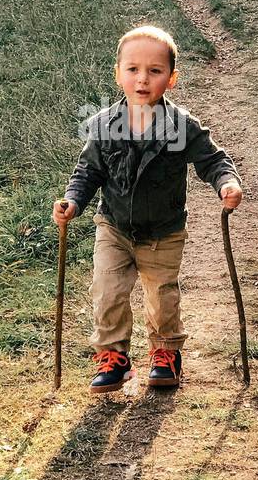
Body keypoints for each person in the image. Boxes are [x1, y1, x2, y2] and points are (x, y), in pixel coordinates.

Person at [52, 24, 243, 393]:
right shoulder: (104, 125)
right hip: (114, 227)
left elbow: (213, 161)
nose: (143, 79)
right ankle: (113, 357)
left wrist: (227, 183)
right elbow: (88, 172)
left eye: (155, 71)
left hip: (163, 232)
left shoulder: (182, 127)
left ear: (171, 79)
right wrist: (72, 202)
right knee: (107, 291)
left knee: (162, 296)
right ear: (118, 73)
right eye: (133, 69)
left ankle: (165, 352)